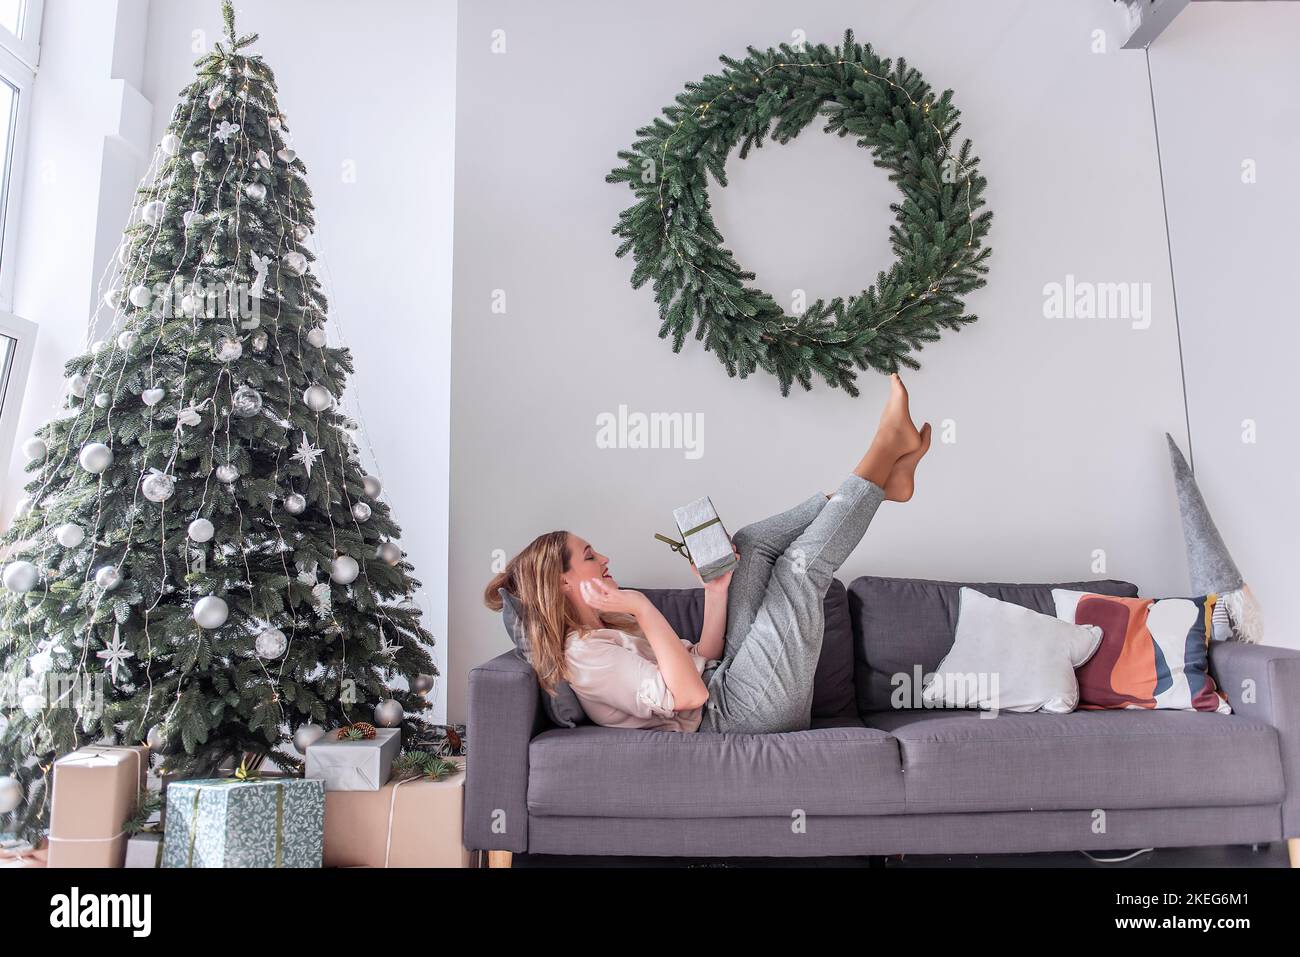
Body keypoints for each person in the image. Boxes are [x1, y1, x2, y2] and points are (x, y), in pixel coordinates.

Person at [483, 374, 932, 735]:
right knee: (798, 573)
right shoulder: (586, 656)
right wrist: (640, 606)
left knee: (751, 545)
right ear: (563, 582)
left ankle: (879, 487)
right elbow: (689, 697)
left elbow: (703, 656)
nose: (603, 559)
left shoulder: (606, 629)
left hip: (728, 678)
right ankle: (884, 448)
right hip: (737, 713)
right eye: (588, 556)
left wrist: (714, 593)